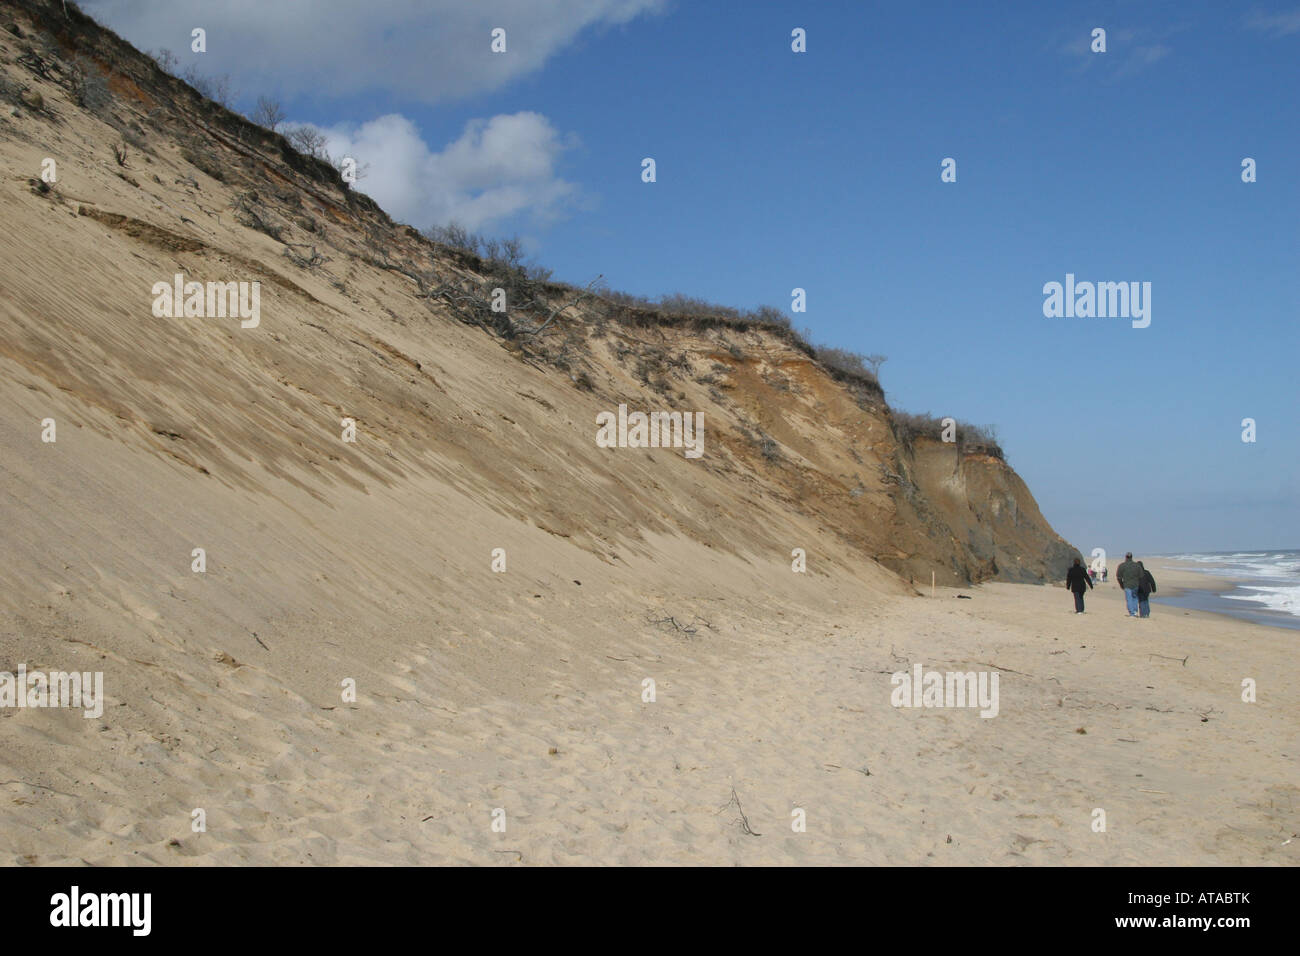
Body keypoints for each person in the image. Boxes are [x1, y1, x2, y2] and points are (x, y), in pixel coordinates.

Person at [1116, 552, 1143, 617]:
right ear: (1131, 557)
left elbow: (1119, 577)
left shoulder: (1122, 565)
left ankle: (1132, 613)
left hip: (1127, 585)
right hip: (1135, 584)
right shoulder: (1137, 565)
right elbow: (1141, 576)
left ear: (1126, 557)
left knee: (1129, 599)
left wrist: (1121, 584)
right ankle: (1135, 611)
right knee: (1135, 598)